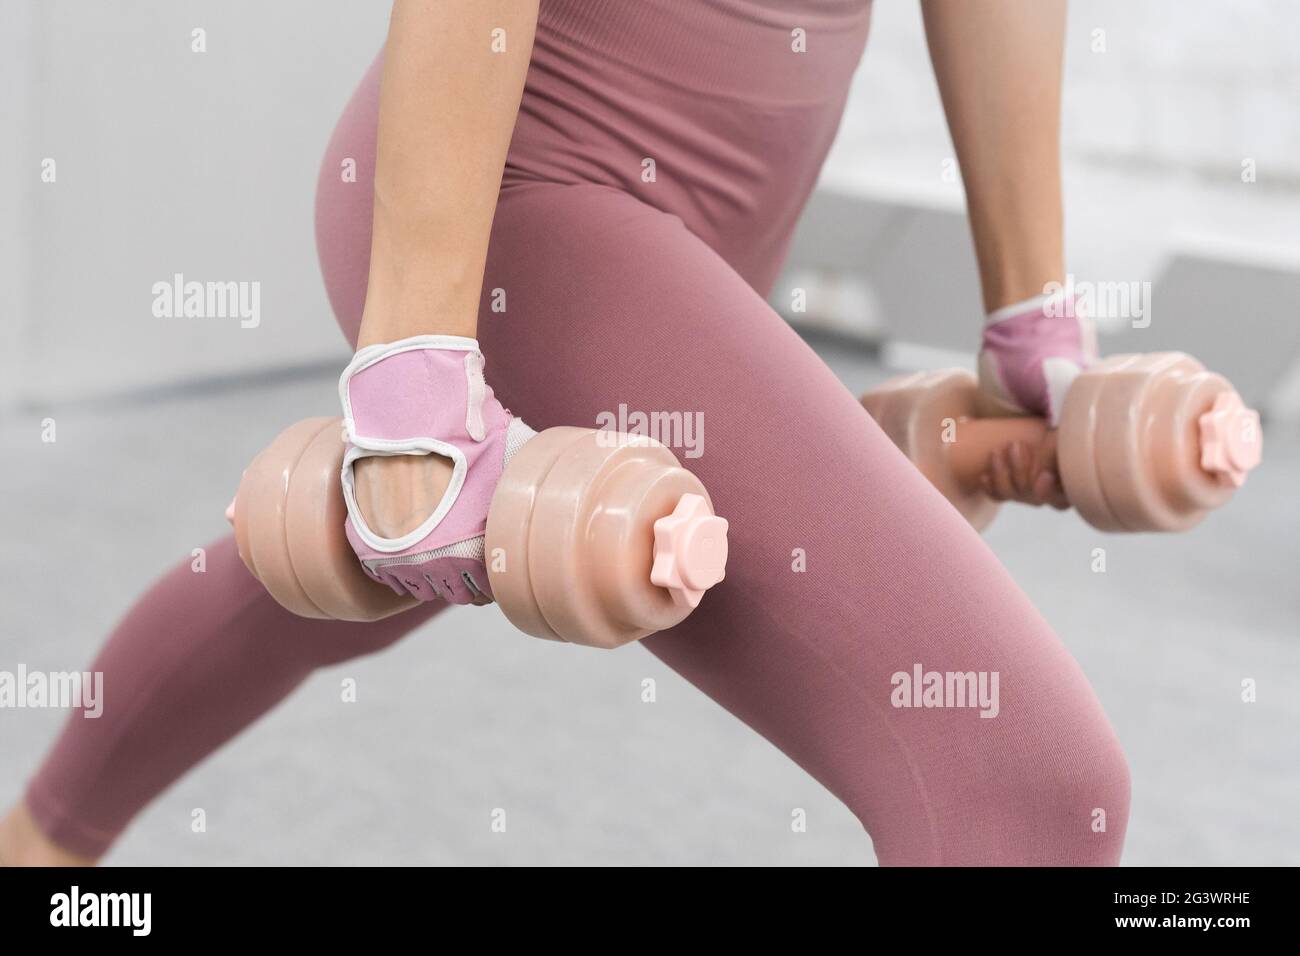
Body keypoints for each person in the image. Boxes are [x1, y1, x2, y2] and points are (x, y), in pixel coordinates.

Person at [0, 0, 1126, 866]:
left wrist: (1031, 312)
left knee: (331, 592)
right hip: (529, 197)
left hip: (724, 224)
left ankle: (38, 845)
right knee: (1022, 781)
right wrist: (415, 376)